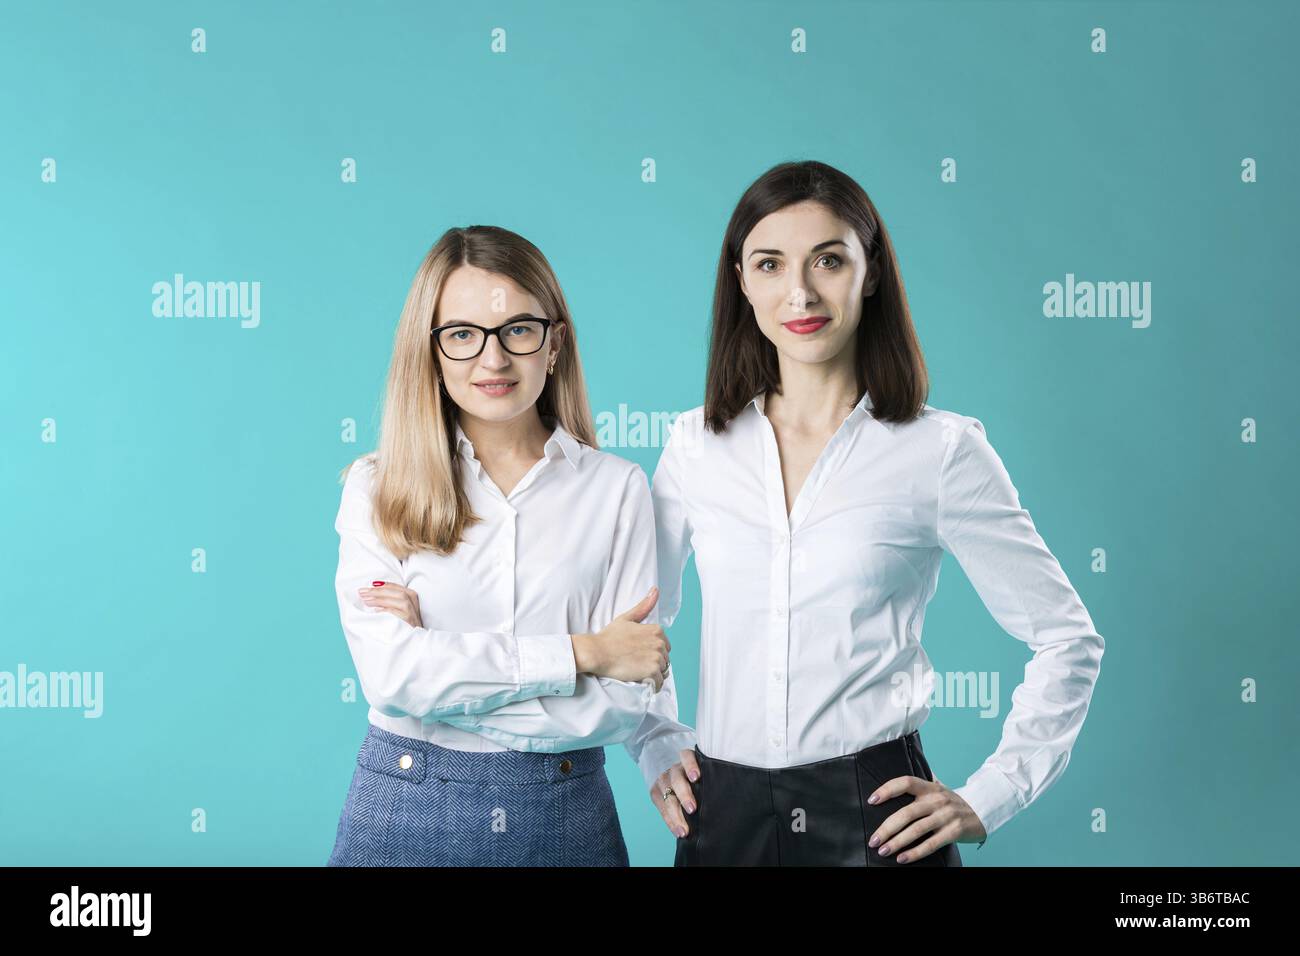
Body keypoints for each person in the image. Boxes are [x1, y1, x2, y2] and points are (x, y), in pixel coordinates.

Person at [648, 160, 1105, 866]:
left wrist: (992, 794)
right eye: (770, 264)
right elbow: (636, 621)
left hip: (873, 816)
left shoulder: (942, 450)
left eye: (828, 259)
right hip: (720, 815)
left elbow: (1067, 639)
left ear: (870, 271)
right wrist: (654, 741)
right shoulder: (694, 445)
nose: (799, 291)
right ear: (741, 279)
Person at [327, 225, 694, 867]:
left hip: (565, 816)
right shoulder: (376, 487)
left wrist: (440, 675)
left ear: (553, 343)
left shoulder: (618, 491)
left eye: (518, 330)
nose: (492, 361)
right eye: (463, 335)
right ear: (431, 351)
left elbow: (621, 705)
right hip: (402, 813)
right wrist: (583, 653)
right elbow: (391, 677)